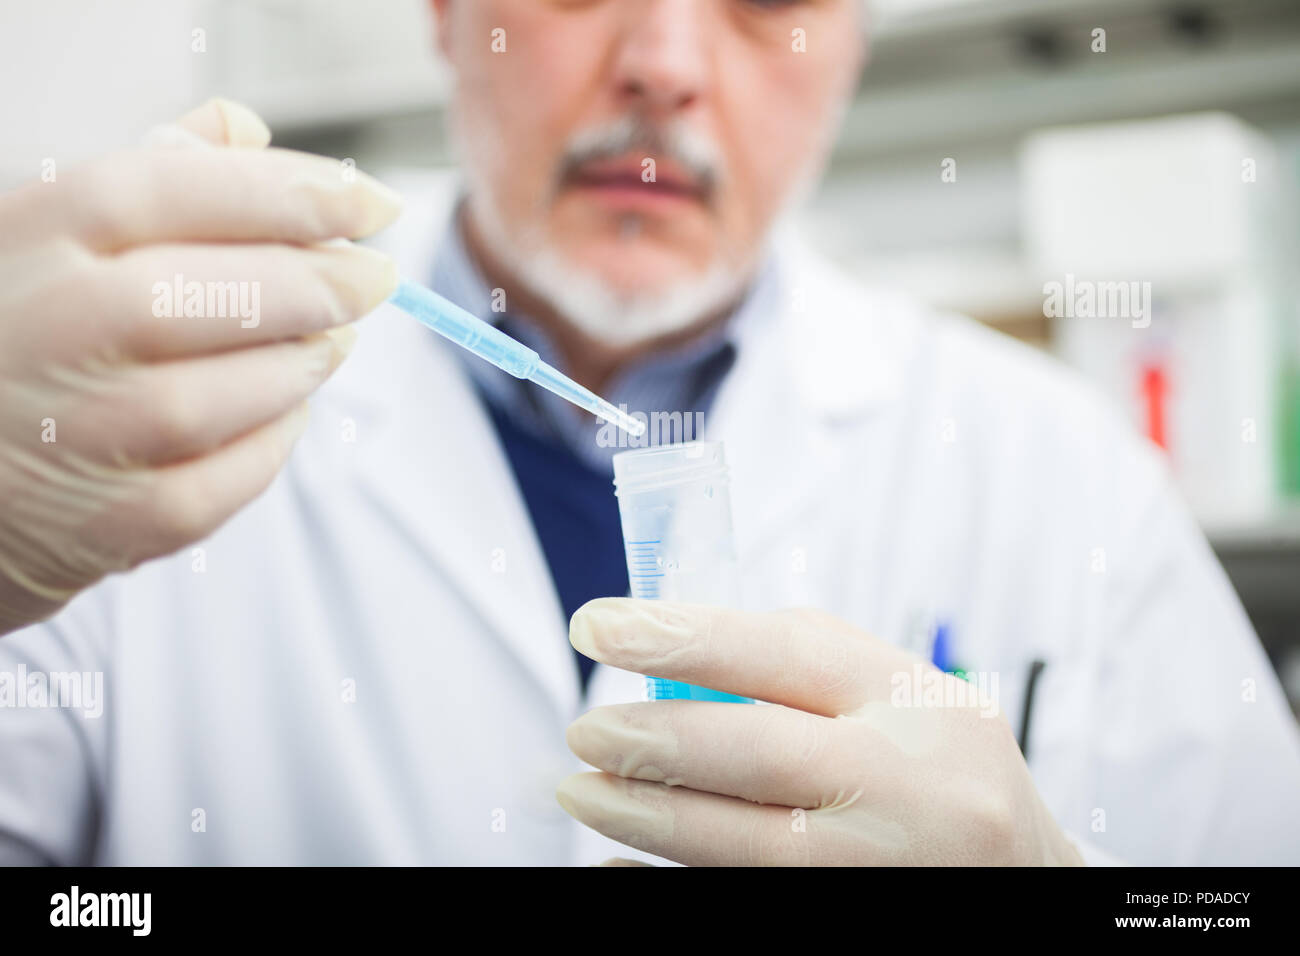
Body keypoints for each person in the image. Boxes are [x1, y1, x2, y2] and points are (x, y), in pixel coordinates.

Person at [0, 0, 1296, 866]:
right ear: (446, 15)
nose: (666, 60)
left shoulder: (1064, 483)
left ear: (848, 38)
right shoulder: (123, 435)